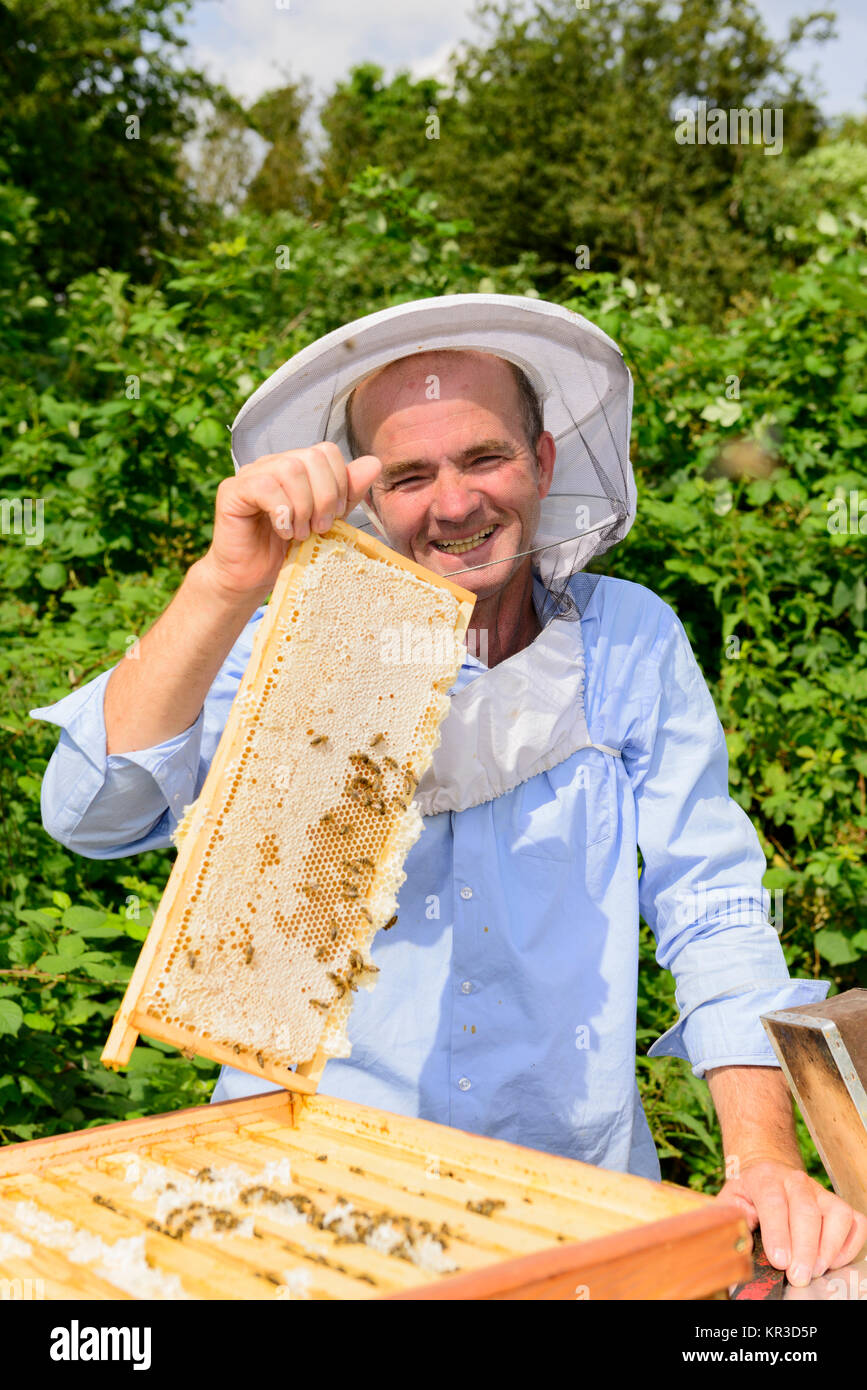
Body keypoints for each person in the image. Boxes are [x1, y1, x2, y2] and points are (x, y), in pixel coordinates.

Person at [31, 294, 866, 1288]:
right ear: (366, 496)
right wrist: (222, 582)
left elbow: (713, 907)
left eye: (484, 458)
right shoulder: (288, 644)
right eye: (412, 474)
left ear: (544, 462)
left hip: (577, 1201)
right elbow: (93, 815)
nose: (456, 504)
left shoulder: (629, 641)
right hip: (305, 1196)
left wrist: (763, 1161)